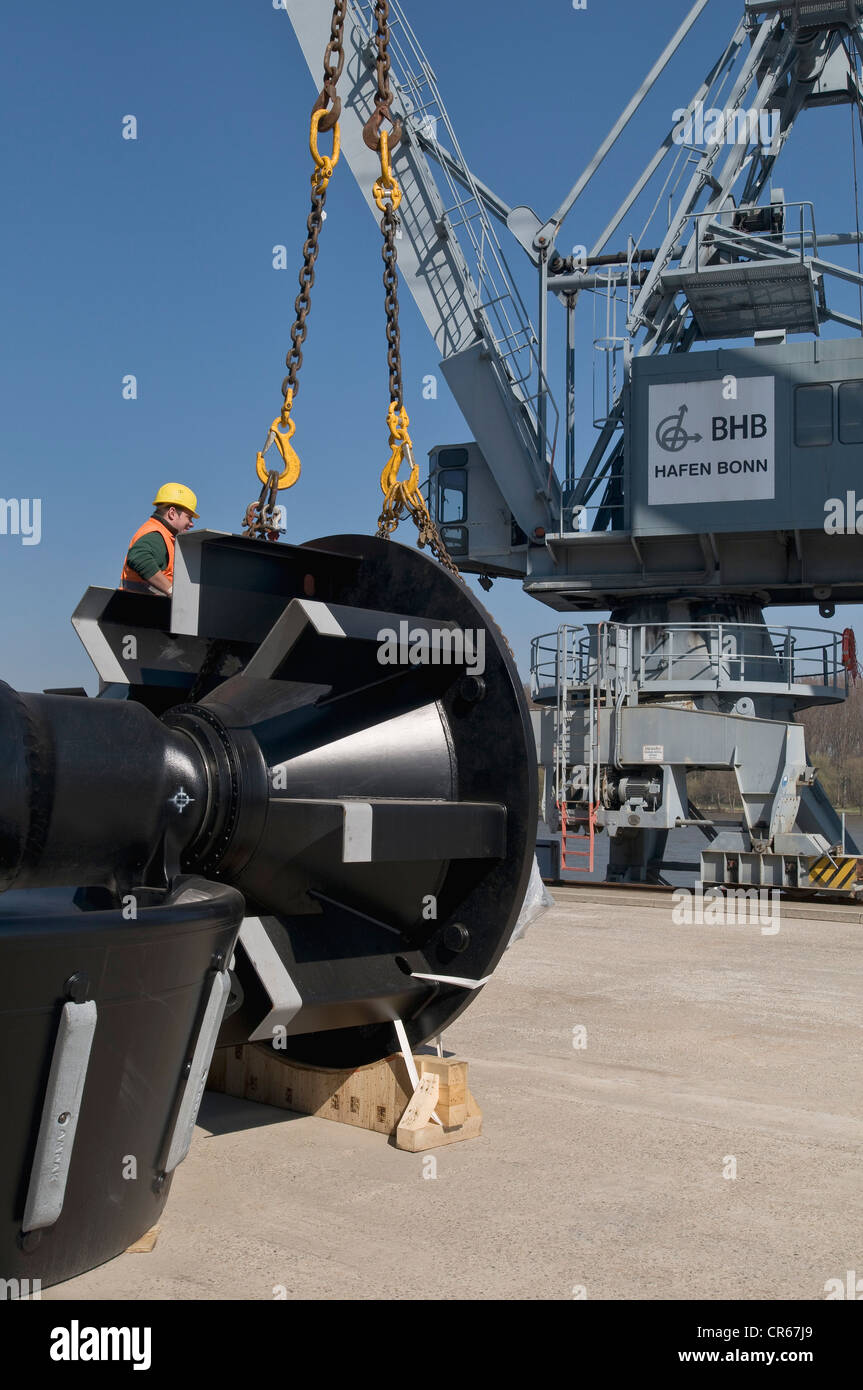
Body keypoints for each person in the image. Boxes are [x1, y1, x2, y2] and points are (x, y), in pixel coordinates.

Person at [120, 484, 199, 596]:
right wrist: (172, 591)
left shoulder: (162, 534)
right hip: (136, 606)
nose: (191, 524)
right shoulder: (156, 535)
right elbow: (138, 557)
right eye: (189, 517)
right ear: (172, 513)